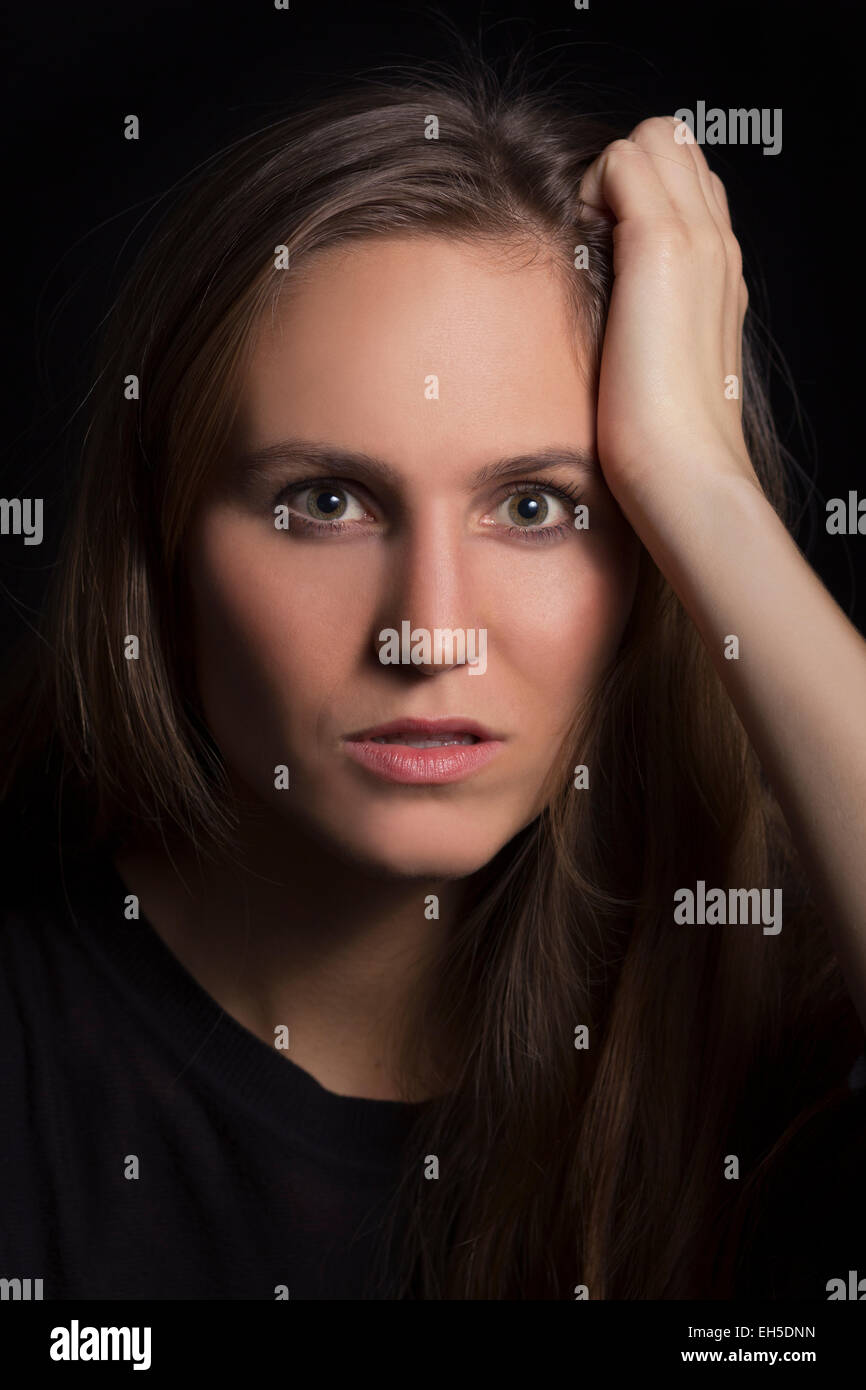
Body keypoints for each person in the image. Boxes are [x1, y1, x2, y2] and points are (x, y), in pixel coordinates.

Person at [1, 54, 864, 1301]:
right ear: (164, 545)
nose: (427, 632)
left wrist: (700, 480)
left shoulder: (758, 1050)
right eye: (327, 501)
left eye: (533, 505)